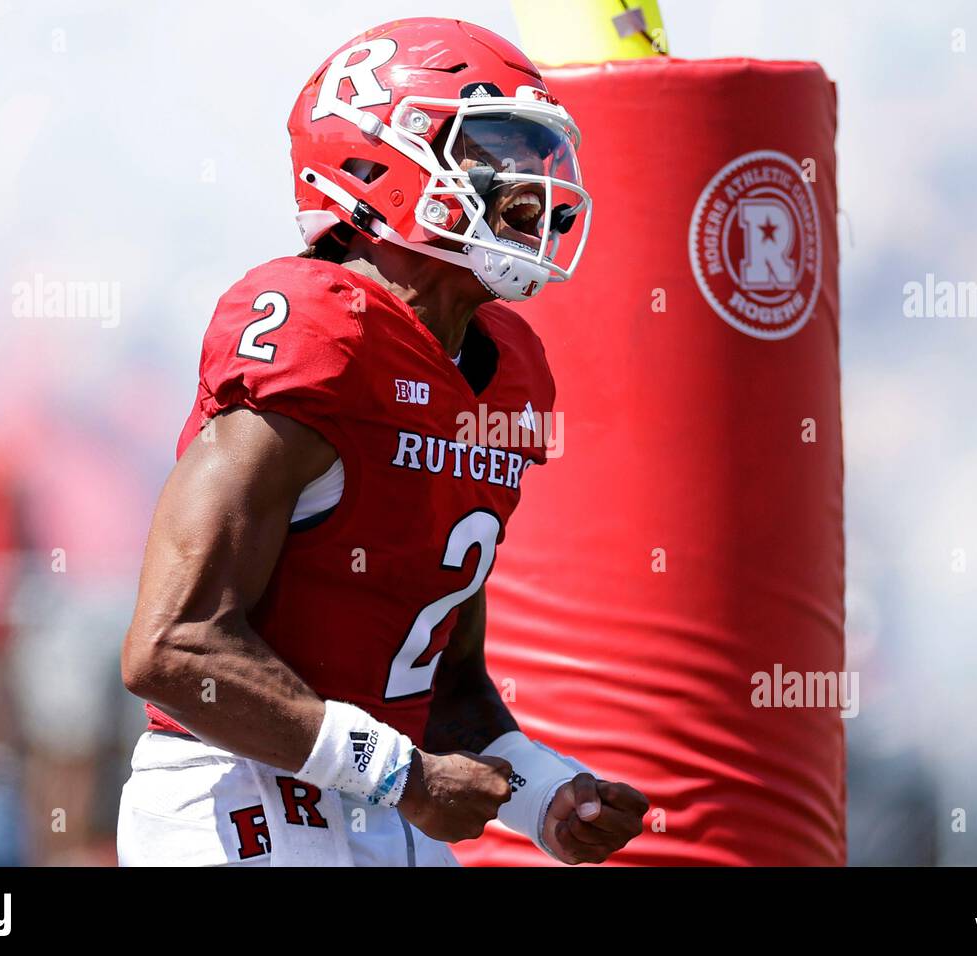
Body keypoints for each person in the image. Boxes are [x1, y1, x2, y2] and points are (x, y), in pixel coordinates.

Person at [117, 16, 647, 867]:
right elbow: (174, 647)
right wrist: (404, 776)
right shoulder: (319, 334)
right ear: (376, 160)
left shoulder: (508, 368)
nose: (533, 184)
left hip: (384, 810)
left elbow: (440, 682)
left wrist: (548, 793)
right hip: (237, 796)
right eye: (497, 146)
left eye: (542, 155)